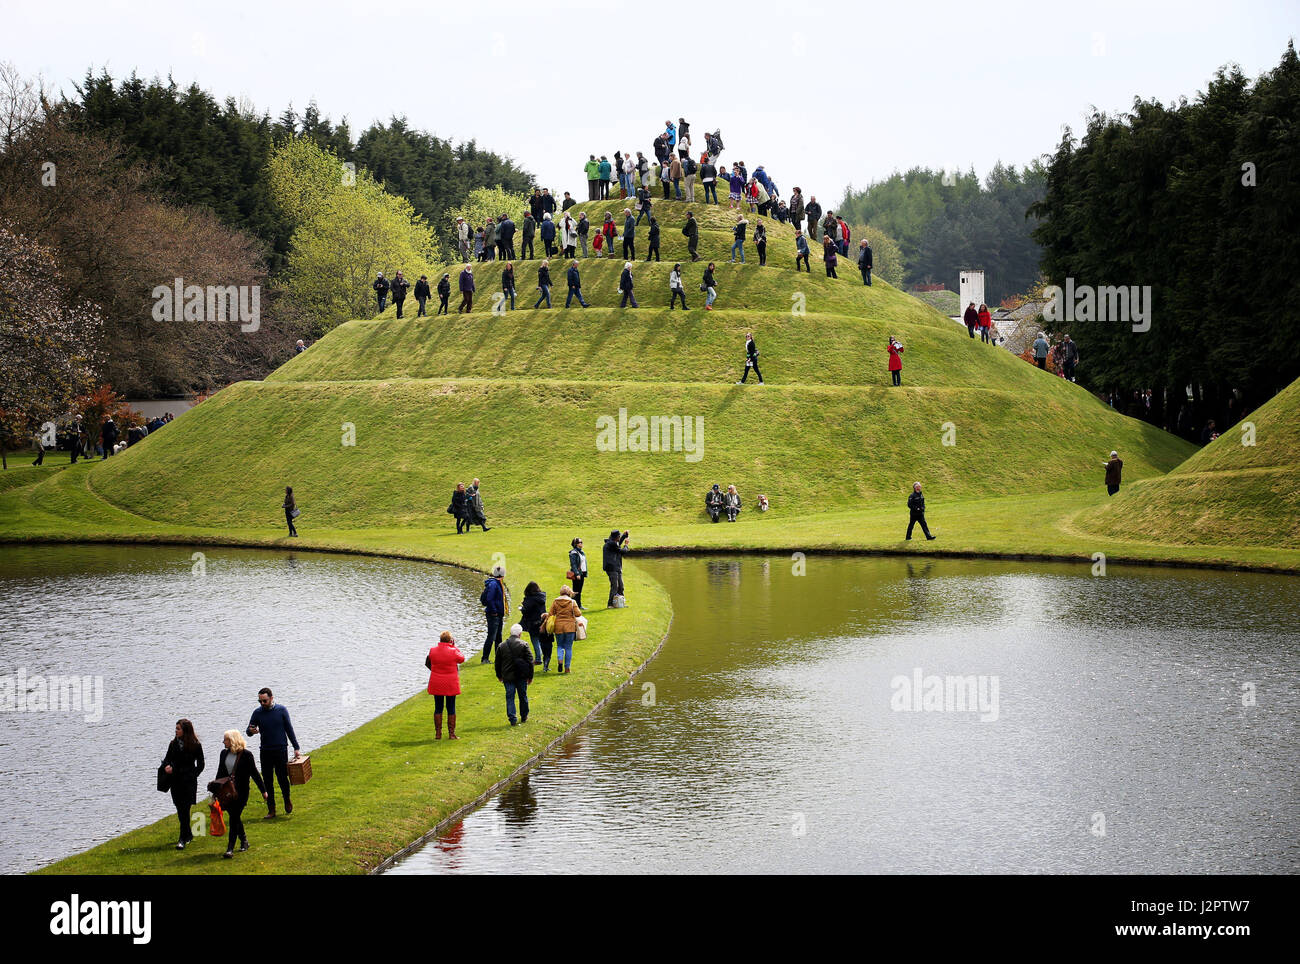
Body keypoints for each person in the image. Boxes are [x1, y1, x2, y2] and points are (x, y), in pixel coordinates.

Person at [246, 687, 301, 819]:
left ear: (271, 698)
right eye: (260, 701)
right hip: (265, 751)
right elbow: (249, 730)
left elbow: (289, 729)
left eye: (264, 701)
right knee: (268, 781)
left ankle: (287, 800)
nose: (262, 704)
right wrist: (251, 731)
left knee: (282, 778)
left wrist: (296, 747)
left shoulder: (281, 710)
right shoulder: (257, 713)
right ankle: (272, 809)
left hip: (281, 750)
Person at [212, 730, 266, 859]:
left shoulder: (246, 755)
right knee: (234, 817)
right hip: (228, 792)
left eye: (225, 739)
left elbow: (254, 773)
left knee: (234, 817)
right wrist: (215, 791)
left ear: (232, 740)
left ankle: (230, 848)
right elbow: (220, 773)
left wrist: (263, 790)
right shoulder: (223, 753)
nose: (223, 742)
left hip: (241, 792)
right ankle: (244, 841)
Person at [162, 718, 204, 849]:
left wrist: (193, 775)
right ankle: (188, 834)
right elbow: (167, 759)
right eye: (176, 729)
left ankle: (182, 838)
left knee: (185, 809)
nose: (176, 731)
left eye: (178, 729)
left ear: (185, 730)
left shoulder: (195, 745)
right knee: (179, 808)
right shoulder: (173, 744)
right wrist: (167, 766)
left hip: (188, 782)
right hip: (175, 781)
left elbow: (201, 764)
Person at [426, 630, 465, 739]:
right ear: (450, 640)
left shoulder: (432, 651)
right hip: (450, 683)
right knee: (451, 707)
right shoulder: (453, 651)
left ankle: (438, 734)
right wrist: (454, 647)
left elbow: (430, 661)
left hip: (437, 682)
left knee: (438, 707)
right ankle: (451, 734)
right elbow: (461, 658)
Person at [548, 585, 583, 673]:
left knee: (559, 646)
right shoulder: (572, 602)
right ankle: (567, 668)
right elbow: (578, 614)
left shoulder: (555, 601)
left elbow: (551, 613)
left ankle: (560, 660)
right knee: (568, 648)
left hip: (558, 626)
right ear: (569, 593)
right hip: (570, 627)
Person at [480, 563, 508, 663]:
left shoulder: (497, 583)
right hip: (494, 615)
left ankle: (498, 657)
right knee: (491, 636)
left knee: (498, 636)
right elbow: (489, 599)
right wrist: (494, 611)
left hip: (498, 614)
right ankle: (485, 658)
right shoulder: (494, 584)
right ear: (502, 575)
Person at [520, 581, 549, 667]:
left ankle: (538, 658)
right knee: (540, 640)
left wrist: (522, 608)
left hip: (533, 623)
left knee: (535, 640)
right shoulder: (541, 597)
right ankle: (542, 657)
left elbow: (526, 611)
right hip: (542, 621)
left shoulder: (530, 599)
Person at [603, 529, 629, 607]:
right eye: (619, 536)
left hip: (616, 567)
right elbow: (622, 551)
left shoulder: (612, 542)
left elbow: (618, 543)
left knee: (621, 586)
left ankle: (620, 603)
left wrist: (624, 536)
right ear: (616, 537)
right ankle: (610, 604)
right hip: (611, 568)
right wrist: (626, 545)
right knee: (615, 586)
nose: (619, 537)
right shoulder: (611, 544)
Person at [568, 536, 588, 608]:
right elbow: (573, 565)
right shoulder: (573, 553)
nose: (582, 543)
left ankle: (578, 605)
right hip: (577, 574)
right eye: (580, 542)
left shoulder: (581, 552)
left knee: (579, 591)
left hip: (582, 573)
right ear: (576, 544)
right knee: (575, 590)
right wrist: (577, 573)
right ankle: (573, 605)